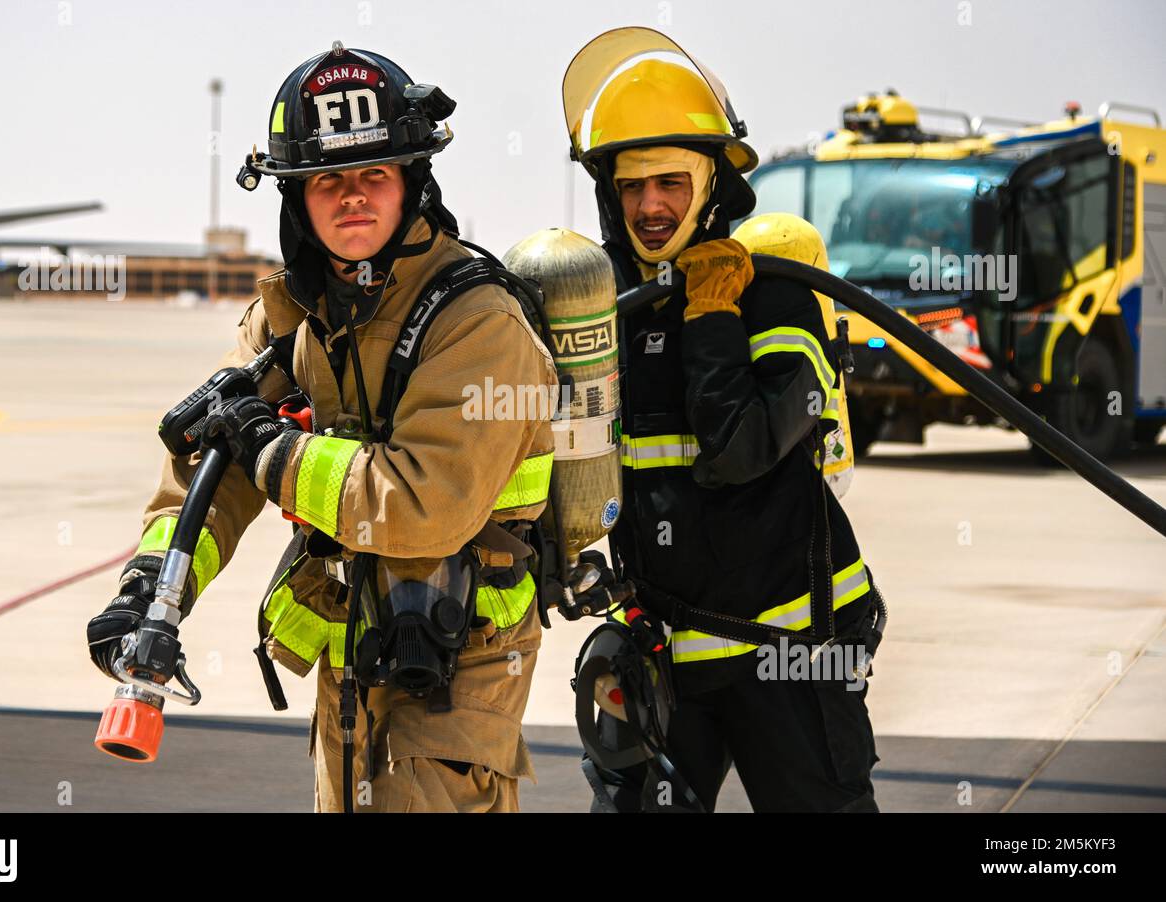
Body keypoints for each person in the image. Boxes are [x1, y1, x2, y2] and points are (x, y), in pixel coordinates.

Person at [87, 42, 558, 812]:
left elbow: (422, 504)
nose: (353, 198)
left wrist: (271, 448)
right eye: (327, 180)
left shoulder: (481, 322)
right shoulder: (291, 318)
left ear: (413, 181)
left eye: (375, 174)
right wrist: (151, 587)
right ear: (294, 198)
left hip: (459, 661)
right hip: (350, 650)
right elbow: (213, 472)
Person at [563, 27, 886, 813]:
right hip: (665, 660)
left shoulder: (776, 300)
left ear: (711, 183)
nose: (650, 205)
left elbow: (739, 449)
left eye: (671, 181)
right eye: (633, 185)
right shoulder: (606, 316)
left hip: (790, 655)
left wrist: (712, 318)